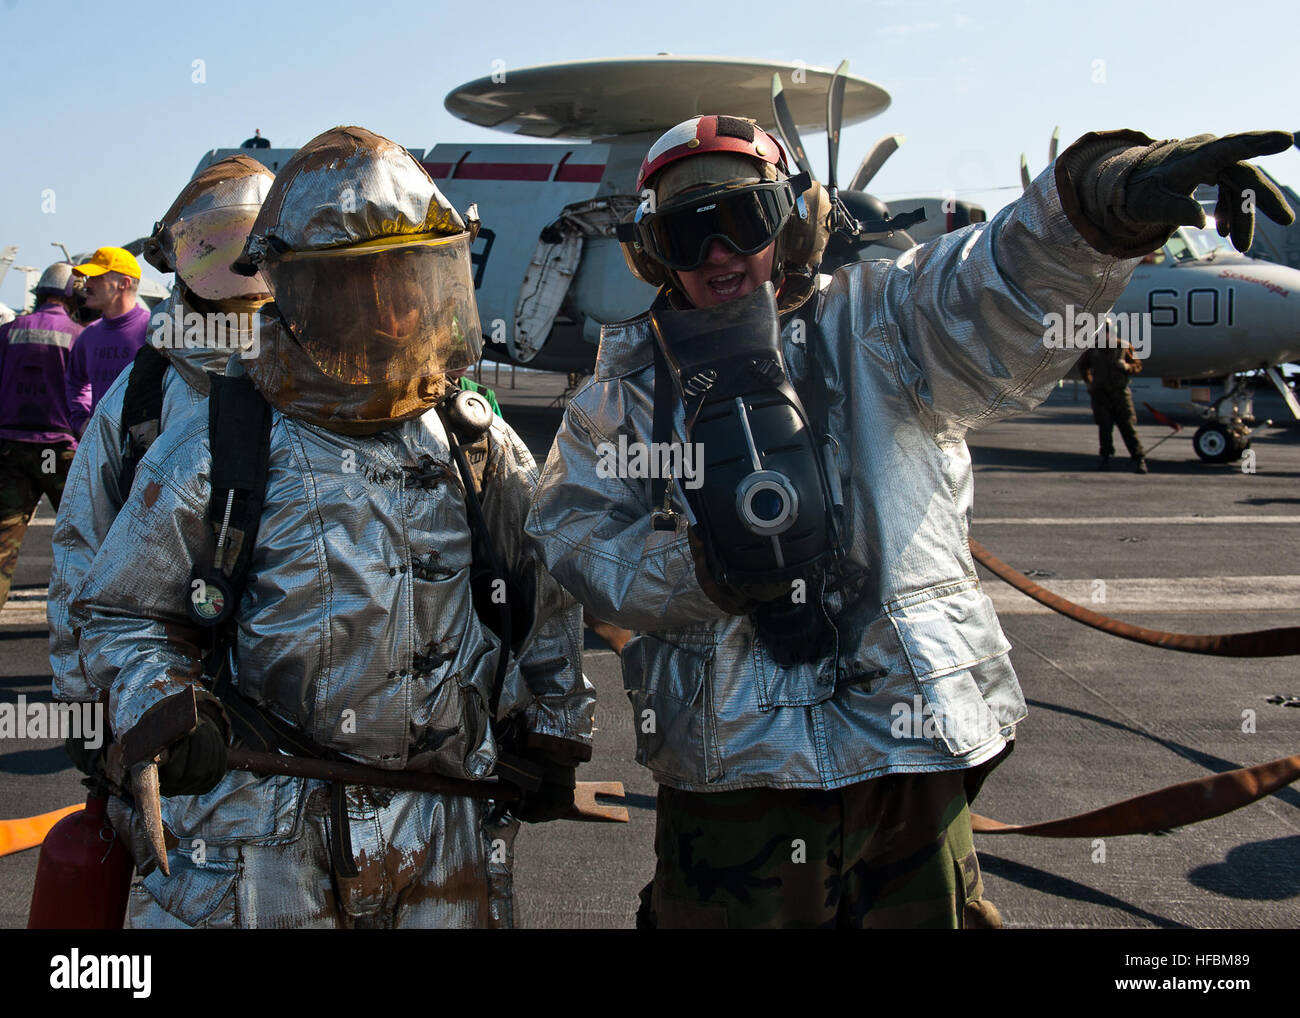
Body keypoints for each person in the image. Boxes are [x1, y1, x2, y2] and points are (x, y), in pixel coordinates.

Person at [526, 116, 1294, 928]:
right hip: (735, 771)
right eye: (688, 231)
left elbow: (995, 282)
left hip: (910, 751)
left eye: (743, 220)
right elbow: (575, 535)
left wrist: (1097, 203)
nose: (718, 253)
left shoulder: (888, 321)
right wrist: (704, 574)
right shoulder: (626, 394)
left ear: (791, 221)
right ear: (652, 251)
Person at [71, 126, 594, 928]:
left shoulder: (475, 438)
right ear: (298, 296)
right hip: (260, 839)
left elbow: (543, 592)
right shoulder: (218, 441)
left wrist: (553, 726)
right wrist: (163, 704)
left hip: (442, 829)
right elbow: (121, 610)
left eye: (406, 282)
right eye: (360, 289)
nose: (388, 311)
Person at [50, 154, 274, 712]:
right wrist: (84, 698)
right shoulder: (145, 388)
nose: (238, 270)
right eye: (216, 249)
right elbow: (84, 539)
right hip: (176, 675)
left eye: (249, 250)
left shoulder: (332, 380)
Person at [0, 263, 83, 608]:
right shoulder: (79, 335)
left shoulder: (9, 332)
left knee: (4, 536)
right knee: (81, 538)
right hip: (58, 450)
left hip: (11, 448)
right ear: (70, 294)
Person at [66, 247, 150, 436]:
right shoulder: (88, 336)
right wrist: (80, 421)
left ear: (124, 283)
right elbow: (74, 382)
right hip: (100, 448)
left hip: (143, 451)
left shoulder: (153, 330)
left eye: (97, 278)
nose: (87, 285)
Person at [1079, 335, 1147, 472]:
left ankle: (1139, 458)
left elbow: (1138, 365)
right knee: (1104, 427)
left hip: (1120, 394)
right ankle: (1106, 458)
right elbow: (1082, 366)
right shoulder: (1093, 350)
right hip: (1101, 395)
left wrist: (1127, 366)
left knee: (1128, 427)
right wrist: (1089, 383)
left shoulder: (1123, 347)